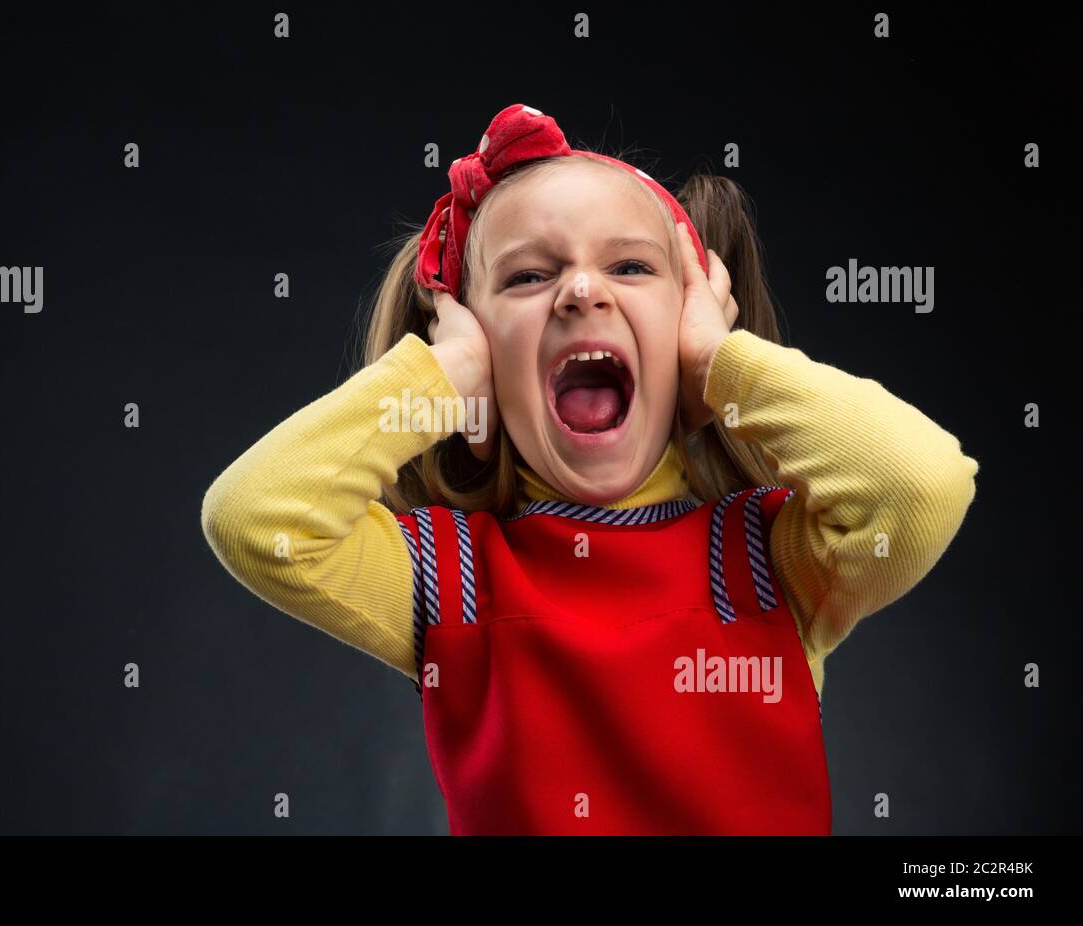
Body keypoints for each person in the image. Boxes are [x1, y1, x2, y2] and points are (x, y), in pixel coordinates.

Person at [201, 103, 979, 835]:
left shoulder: (773, 561)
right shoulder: (450, 581)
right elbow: (256, 517)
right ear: (479, 374)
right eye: (527, 277)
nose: (579, 290)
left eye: (632, 267)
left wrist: (720, 364)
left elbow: (919, 486)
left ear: (686, 334)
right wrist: (447, 376)